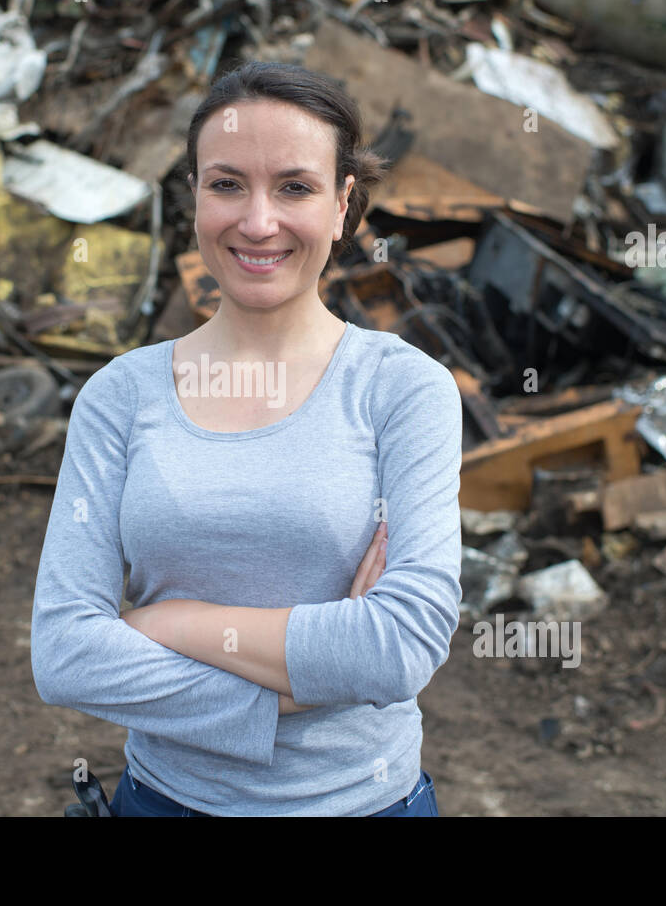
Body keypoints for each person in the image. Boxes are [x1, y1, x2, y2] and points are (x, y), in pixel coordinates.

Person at [31, 60, 463, 816]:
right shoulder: (119, 397)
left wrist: (171, 623)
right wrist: (302, 687)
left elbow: (400, 646)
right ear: (194, 197)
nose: (257, 221)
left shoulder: (404, 391)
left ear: (342, 204)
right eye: (227, 183)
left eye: (294, 186)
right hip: (163, 803)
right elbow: (67, 655)